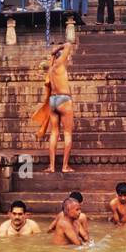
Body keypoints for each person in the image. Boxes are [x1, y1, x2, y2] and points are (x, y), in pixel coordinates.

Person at [45, 41, 77, 173]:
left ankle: (52, 166)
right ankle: (64, 166)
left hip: (53, 100)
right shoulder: (59, 64)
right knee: (67, 133)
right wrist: (55, 50)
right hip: (64, 100)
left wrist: (53, 55)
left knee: (54, 133)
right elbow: (69, 44)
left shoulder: (51, 68)